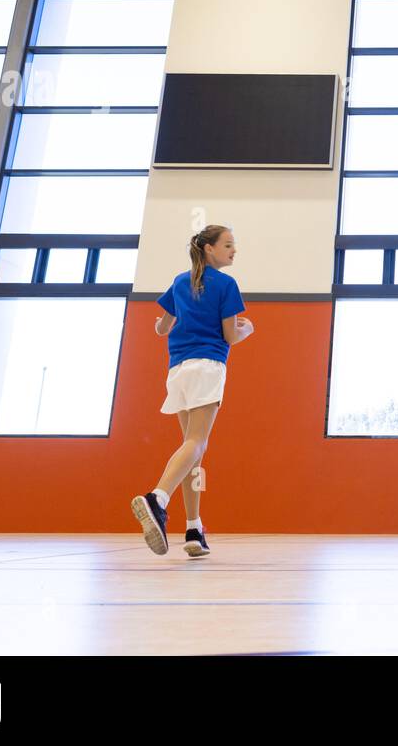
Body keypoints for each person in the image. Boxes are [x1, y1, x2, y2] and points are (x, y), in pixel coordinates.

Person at [130, 225, 254, 558]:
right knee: (196, 443)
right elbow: (230, 336)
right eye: (228, 244)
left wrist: (166, 322)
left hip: (178, 370)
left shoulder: (179, 282)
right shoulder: (226, 285)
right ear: (210, 249)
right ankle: (157, 498)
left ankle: (193, 528)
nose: (234, 250)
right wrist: (248, 329)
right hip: (208, 366)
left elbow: (161, 327)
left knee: (192, 452)